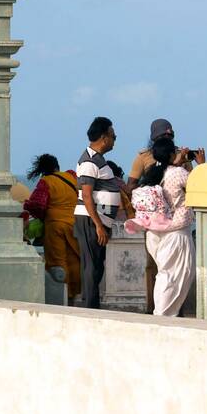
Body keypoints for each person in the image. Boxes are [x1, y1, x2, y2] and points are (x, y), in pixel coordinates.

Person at [127, 118, 205, 312]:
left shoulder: (152, 173)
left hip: (154, 231)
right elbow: (199, 189)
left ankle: (162, 315)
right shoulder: (177, 172)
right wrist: (201, 165)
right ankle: (161, 317)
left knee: (165, 274)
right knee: (173, 276)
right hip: (175, 232)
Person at [74, 116, 121, 309]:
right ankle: (90, 308)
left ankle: (92, 304)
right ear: (104, 137)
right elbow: (86, 196)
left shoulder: (99, 160)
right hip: (91, 221)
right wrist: (99, 225)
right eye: (113, 135)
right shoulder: (89, 162)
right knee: (92, 265)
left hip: (98, 220)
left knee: (97, 265)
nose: (115, 138)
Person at [22, 154, 82, 300]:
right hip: (74, 224)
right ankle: (75, 295)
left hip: (55, 227)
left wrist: (27, 206)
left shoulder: (46, 182)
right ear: (57, 166)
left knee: (57, 262)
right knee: (74, 260)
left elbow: (38, 205)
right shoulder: (71, 177)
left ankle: (62, 296)